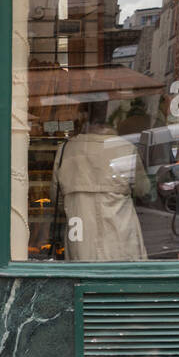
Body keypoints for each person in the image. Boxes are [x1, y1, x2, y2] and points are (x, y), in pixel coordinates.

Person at [53, 99, 150, 261]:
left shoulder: (65, 151)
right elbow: (144, 190)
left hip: (81, 242)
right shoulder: (125, 148)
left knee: (81, 280)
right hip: (120, 240)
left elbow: (56, 198)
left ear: (82, 117)